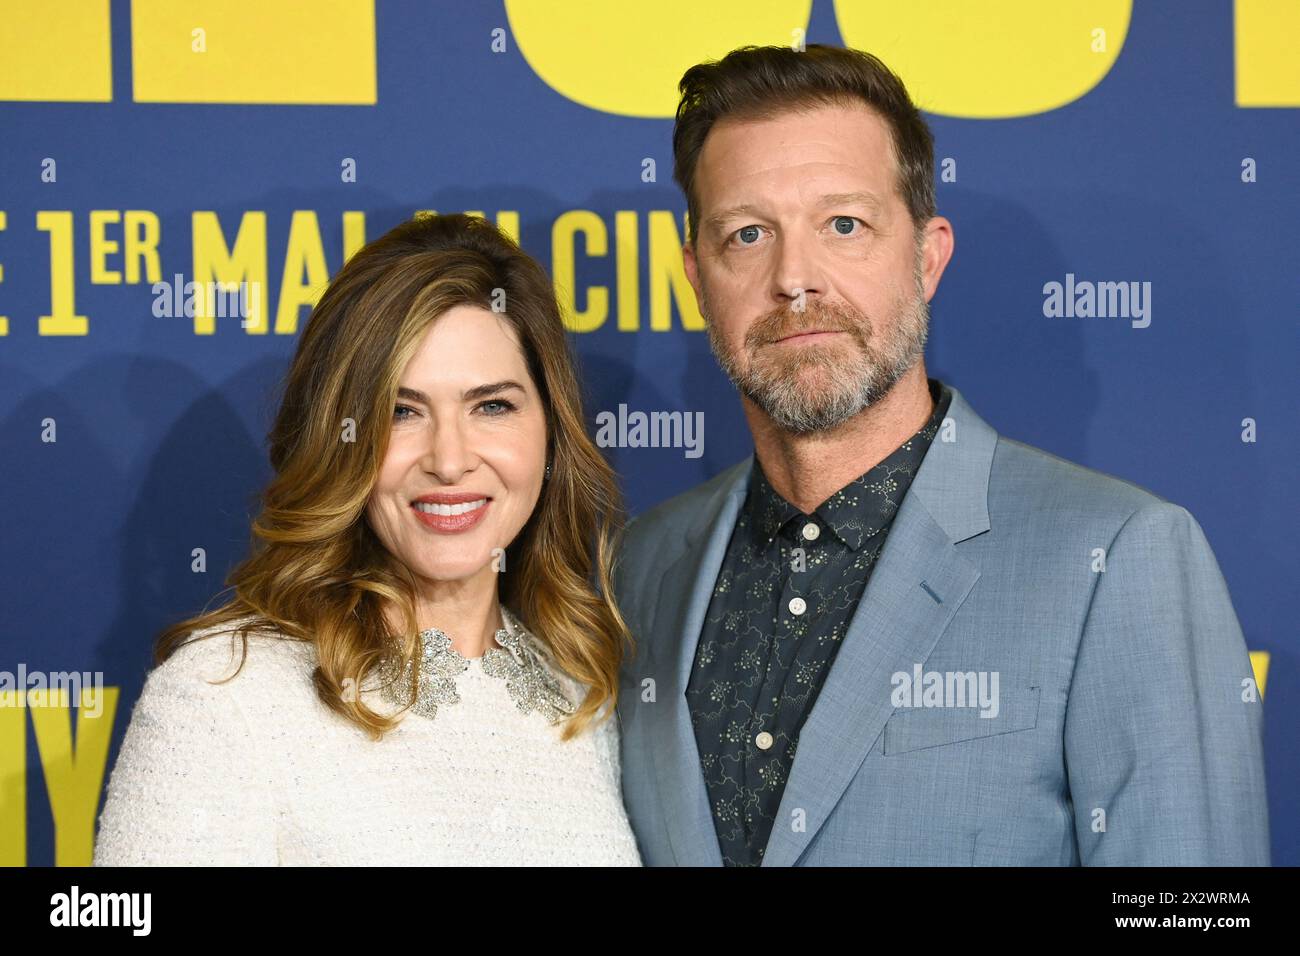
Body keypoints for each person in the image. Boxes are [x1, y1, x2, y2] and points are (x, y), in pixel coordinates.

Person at [612, 44, 1270, 866]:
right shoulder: (639, 569)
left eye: (843, 224)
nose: (794, 279)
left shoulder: (1118, 558)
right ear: (697, 277)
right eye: (747, 234)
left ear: (926, 258)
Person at [94, 213, 642, 866]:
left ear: (550, 431)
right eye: (400, 411)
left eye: (491, 406)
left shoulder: (581, 692)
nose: (449, 459)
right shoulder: (226, 699)